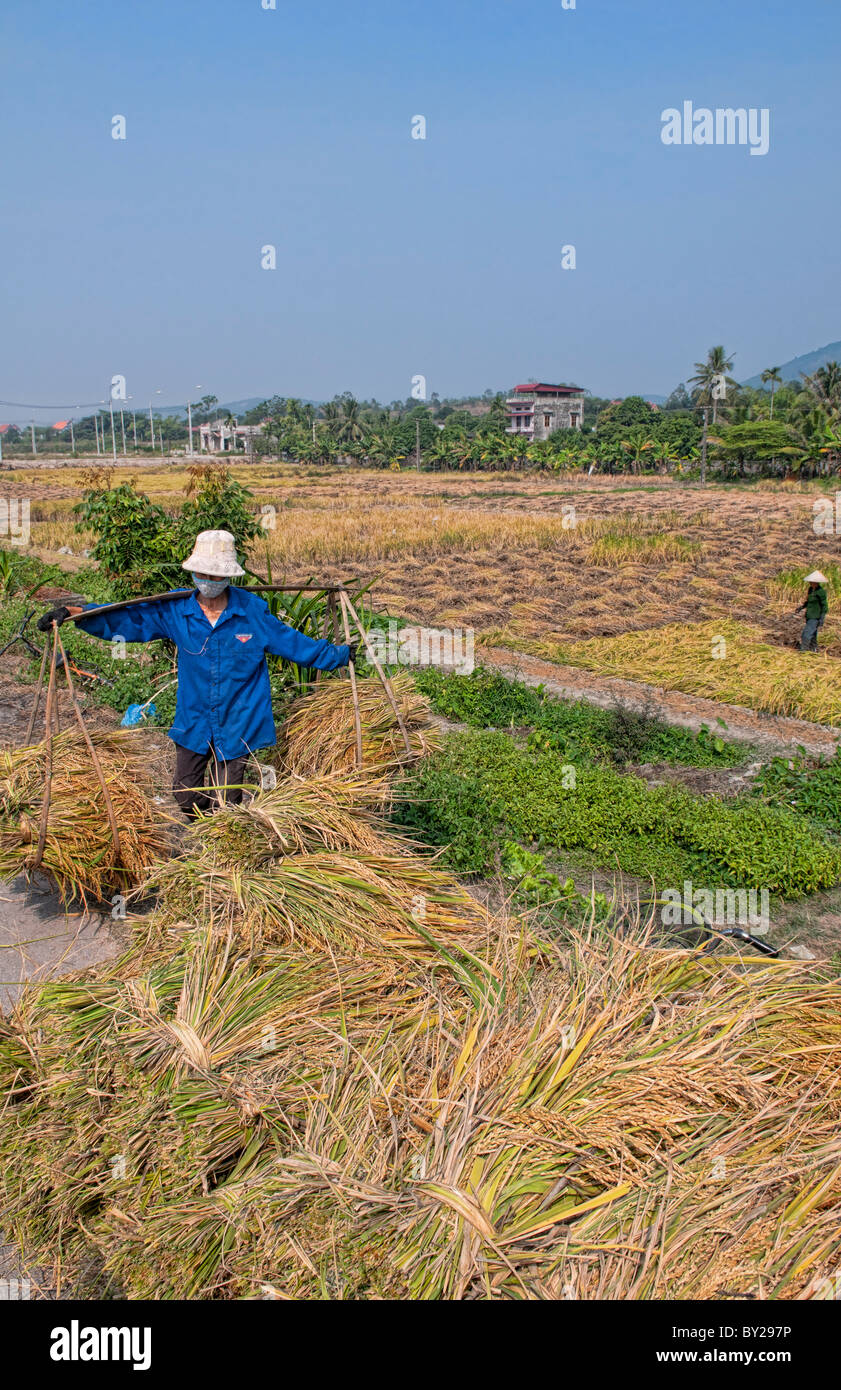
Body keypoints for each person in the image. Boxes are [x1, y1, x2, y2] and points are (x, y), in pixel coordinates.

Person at [38, 529, 356, 817]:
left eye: (215, 574)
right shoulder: (178, 610)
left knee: (226, 802)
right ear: (193, 572)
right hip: (195, 719)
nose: (208, 579)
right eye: (202, 572)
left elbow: (294, 645)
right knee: (184, 793)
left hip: (238, 721)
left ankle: (221, 850)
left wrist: (340, 656)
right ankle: (208, 827)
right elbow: (129, 620)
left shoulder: (251, 613)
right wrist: (76, 613)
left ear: (227, 576)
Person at [794, 570, 829, 653]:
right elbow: (809, 601)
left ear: (816, 582)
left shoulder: (821, 592)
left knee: (806, 633)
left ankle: (804, 650)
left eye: (811, 582)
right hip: (809, 615)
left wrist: (822, 617)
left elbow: (825, 606)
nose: (810, 583)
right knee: (813, 634)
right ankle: (814, 649)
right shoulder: (810, 590)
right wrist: (801, 607)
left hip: (815, 617)